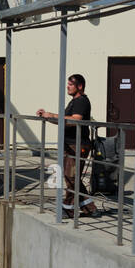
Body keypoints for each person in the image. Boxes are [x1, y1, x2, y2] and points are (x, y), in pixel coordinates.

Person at [37, 73, 97, 216]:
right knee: (70, 176)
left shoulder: (81, 101)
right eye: (68, 84)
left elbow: (75, 119)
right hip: (70, 144)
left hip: (78, 145)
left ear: (80, 86)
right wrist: (48, 115)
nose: (68, 87)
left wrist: (51, 116)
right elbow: (64, 119)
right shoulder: (74, 101)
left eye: (71, 84)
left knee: (71, 177)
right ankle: (90, 208)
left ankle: (68, 209)